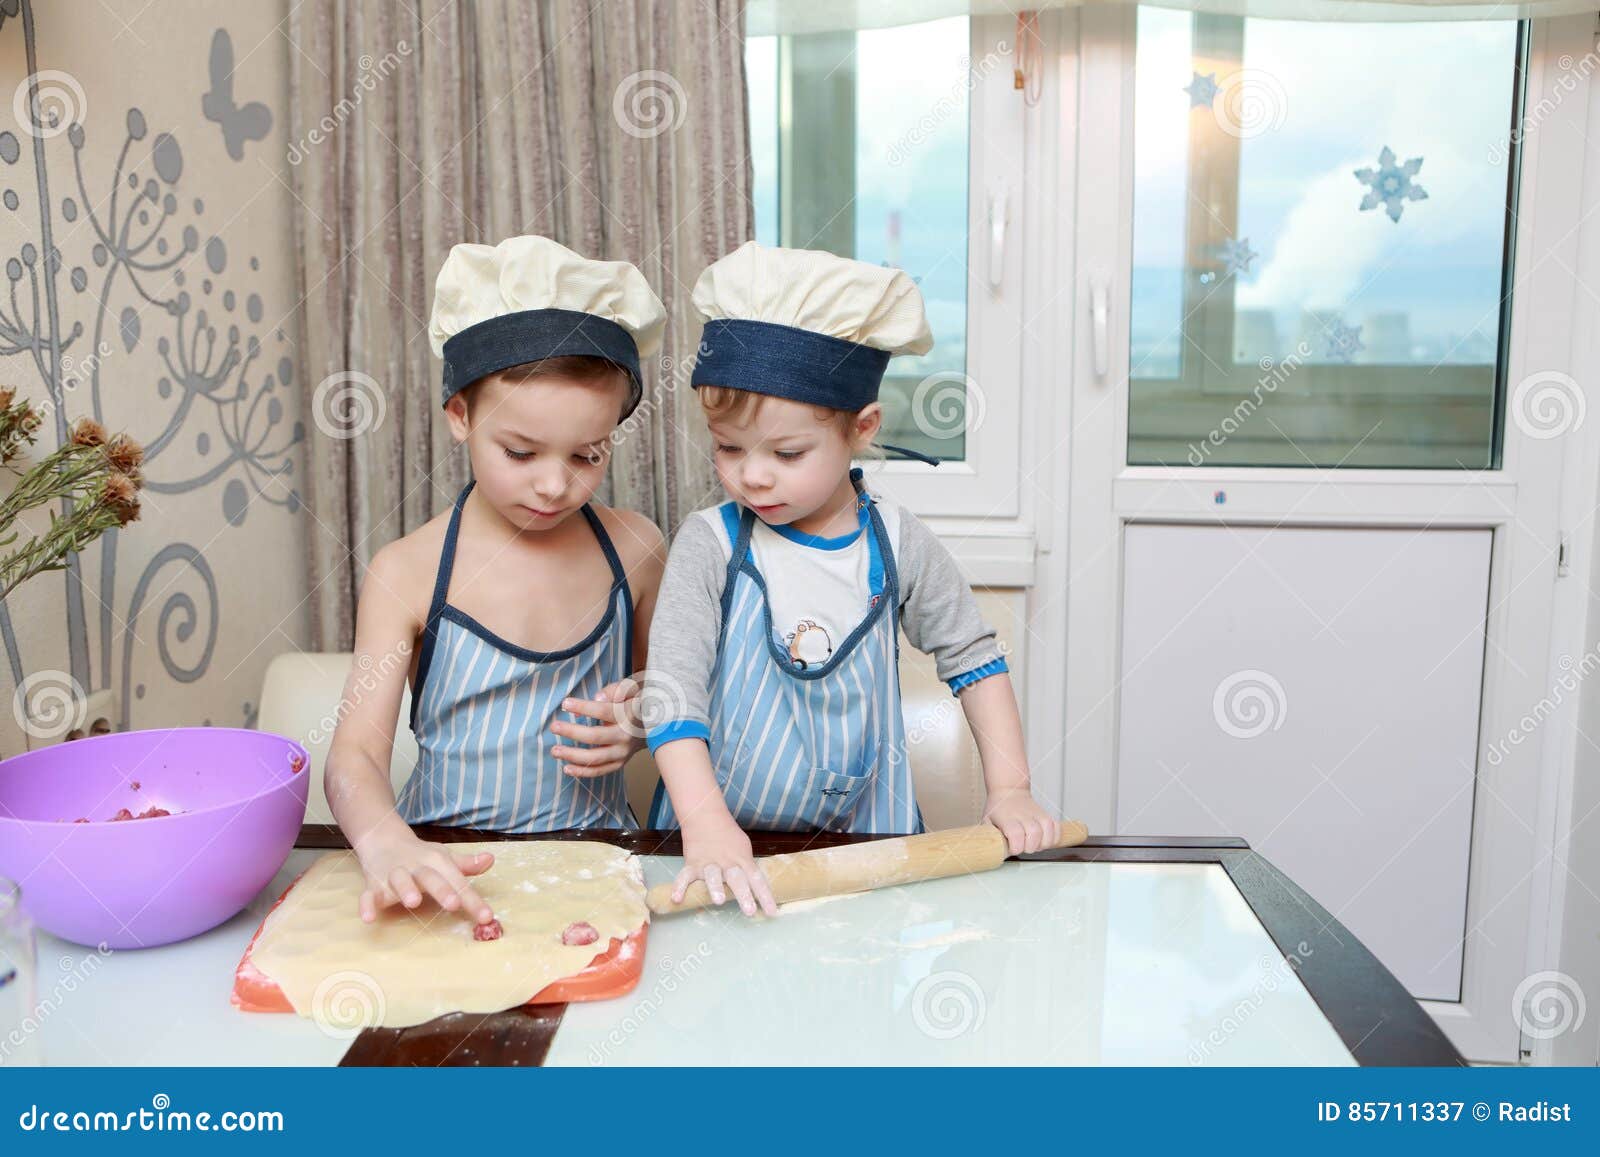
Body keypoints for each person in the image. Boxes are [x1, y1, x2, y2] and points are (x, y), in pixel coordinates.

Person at [644, 241, 1058, 918]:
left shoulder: (899, 542)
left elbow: (975, 659)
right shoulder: (709, 543)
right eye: (728, 447)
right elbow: (672, 692)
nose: (752, 476)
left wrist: (1010, 789)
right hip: (719, 848)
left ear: (861, 428)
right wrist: (705, 820)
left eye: (787, 453)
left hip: (868, 850)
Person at [324, 235, 667, 927]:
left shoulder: (636, 548)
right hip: (448, 871)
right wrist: (385, 841)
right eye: (520, 452)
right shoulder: (407, 572)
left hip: (596, 869)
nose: (553, 484)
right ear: (461, 416)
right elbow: (354, 755)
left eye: (587, 455)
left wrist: (638, 721)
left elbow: (671, 692)